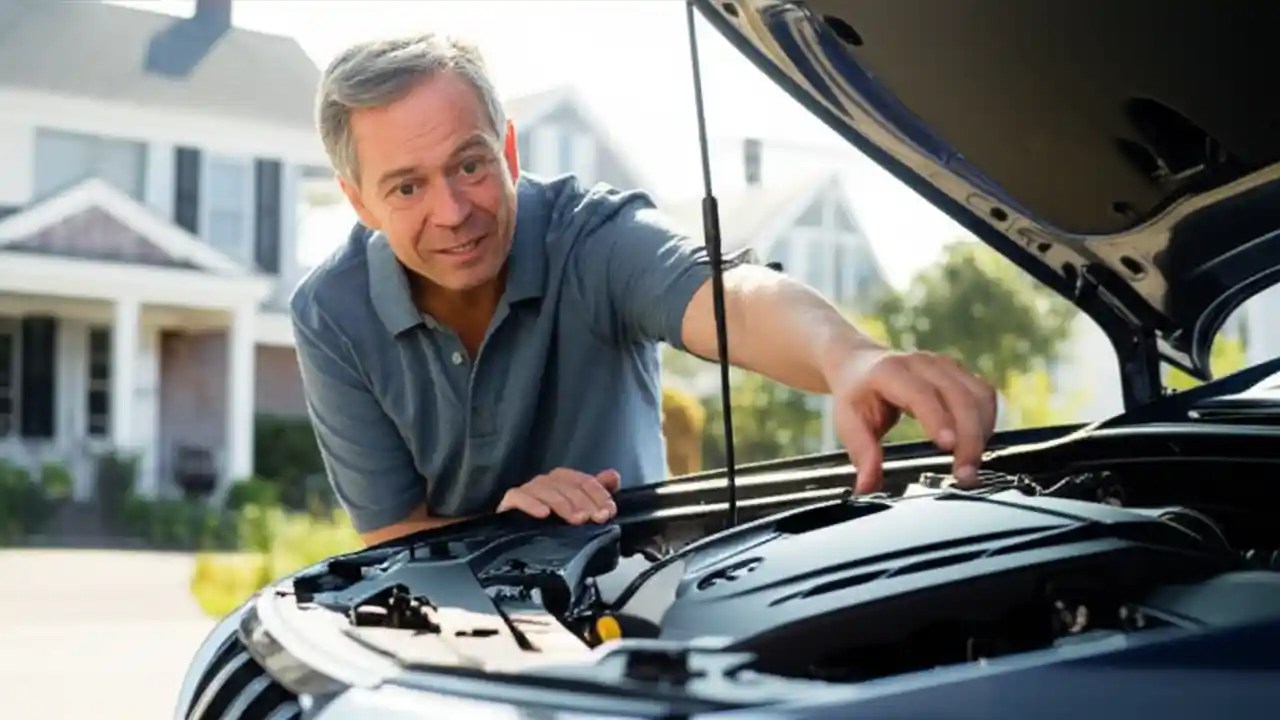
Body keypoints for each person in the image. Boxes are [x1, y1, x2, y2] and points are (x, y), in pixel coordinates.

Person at [292, 33, 998, 547]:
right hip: (456, 637)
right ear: (360, 203)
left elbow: (732, 301)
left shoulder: (592, 237)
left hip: (639, 594)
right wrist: (502, 524)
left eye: (470, 165)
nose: (452, 211)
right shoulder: (331, 314)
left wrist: (849, 359)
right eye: (408, 187)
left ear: (508, 150)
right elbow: (392, 536)